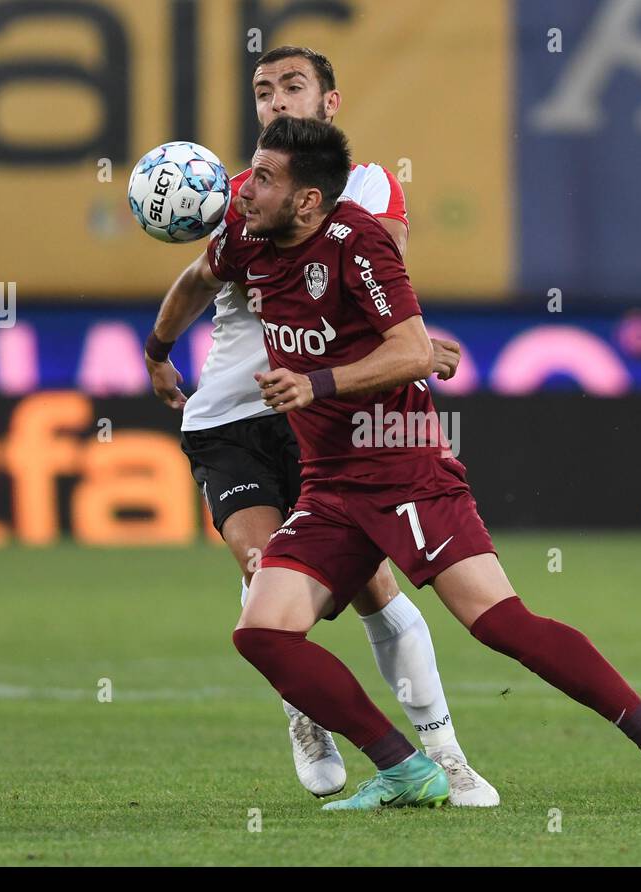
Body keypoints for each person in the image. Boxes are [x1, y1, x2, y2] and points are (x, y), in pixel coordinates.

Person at [157, 114, 641, 812]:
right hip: (330, 482)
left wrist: (318, 383)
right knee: (262, 634)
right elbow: (196, 274)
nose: (245, 190)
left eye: (265, 178)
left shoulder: (358, 244)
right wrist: (157, 349)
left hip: (402, 467)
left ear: (308, 200)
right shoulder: (247, 237)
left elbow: (416, 351)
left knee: (500, 625)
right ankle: (404, 767)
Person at [144, 47, 497, 806]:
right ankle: (305, 712)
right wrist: (159, 350)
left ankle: (446, 753)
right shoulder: (237, 198)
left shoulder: (366, 190)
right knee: (261, 569)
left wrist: (412, 346)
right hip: (231, 420)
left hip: (325, 421)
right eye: (263, 90)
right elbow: (197, 278)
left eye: (293, 87)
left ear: (329, 104)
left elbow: (381, 285)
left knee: (373, 588)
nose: (275, 100)